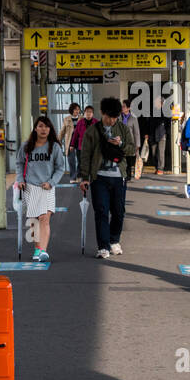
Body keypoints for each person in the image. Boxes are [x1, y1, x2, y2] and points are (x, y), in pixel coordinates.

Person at [78, 96, 134, 259]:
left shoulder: (123, 129)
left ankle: (114, 240)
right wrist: (84, 177)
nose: (112, 120)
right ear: (102, 113)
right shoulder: (92, 131)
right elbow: (85, 154)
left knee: (118, 211)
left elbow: (131, 150)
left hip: (119, 176)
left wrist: (121, 143)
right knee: (101, 211)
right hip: (99, 177)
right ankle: (103, 246)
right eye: (109, 117)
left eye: (115, 117)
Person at [16, 115, 66, 261]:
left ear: (50, 129)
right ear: (36, 128)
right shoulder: (26, 146)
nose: (44, 129)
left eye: (46, 126)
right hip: (30, 187)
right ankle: (37, 248)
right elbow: (19, 163)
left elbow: (60, 168)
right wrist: (20, 180)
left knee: (44, 218)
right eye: (41, 126)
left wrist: (51, 182)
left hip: (47, 187)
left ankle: (43, 251)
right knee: (34, 220)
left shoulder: (54, 147)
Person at [120, 99, 141, 181]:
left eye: (124, 106)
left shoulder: (133, 119)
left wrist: (137, 145)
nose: (122, 108)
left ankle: (128, 176)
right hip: (121, 142)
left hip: (130, 142)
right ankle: (122, 175)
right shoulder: (119, 118)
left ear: (128, 108)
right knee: (121, 159)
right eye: (122, 106)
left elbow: (137, 133)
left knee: (128, 160)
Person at [59, 102, 81, 181]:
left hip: (79, 142)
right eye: (75, 109)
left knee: (80, 160)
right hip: (70, 142)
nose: (77, 111)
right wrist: (59, 141)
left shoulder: (82, 119)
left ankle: (79, 176)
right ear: (72, 110)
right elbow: (62, 131)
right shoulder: (66, 119)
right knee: (71, 161)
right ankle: (73, 177)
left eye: (78, 109)